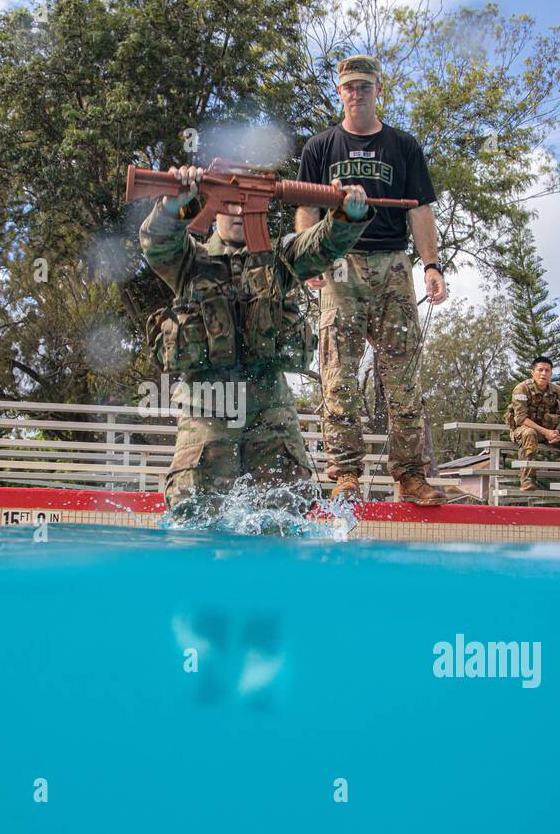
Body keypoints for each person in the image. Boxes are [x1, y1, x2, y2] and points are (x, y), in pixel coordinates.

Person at [139, 164, 373, 521]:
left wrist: (346, 215)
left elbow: (321, 246)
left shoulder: (278, 259)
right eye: (229, 203)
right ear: (214, 206)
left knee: (286, 507)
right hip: (208, 405)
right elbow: (156, 242)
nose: (236, 213)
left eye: (244, 204)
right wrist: (173, 206)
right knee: (196, 509)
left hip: (269, 405)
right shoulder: (189, 260)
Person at [295, 54, 447, 505]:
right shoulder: (320, 147)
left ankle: (410, 476)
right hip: (340, 263)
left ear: (378, 90)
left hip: (393, 264)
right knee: (337, 374)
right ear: (339, 92)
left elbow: (420, 210)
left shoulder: (403, 146)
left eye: (365, 86)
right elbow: (307, 208)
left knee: (403, 378)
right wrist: (311, 258)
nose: (357, 93)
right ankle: (344, 474)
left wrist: (432, 266)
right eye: (349, 87)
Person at [505, 357, 560, 492]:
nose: (543, 373)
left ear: (551, 373)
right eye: (540, 370)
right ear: (532, 372)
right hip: (525, 430)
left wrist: (557, 432)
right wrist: (546, 432)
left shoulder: (558, 391)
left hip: (553, 432)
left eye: (547, 370)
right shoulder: (521, 389)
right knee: (529, 433)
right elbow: (521, 418)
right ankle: (527, 480)